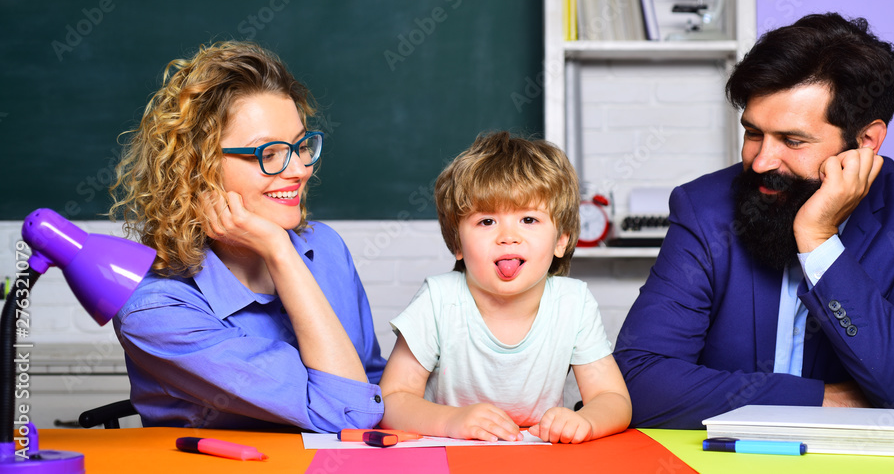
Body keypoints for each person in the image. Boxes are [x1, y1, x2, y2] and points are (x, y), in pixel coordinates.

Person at [614, 13, 894, 429]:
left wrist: (818, 240)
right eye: (753, 133)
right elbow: (636, 381)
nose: (761, 161)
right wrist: (819, 401)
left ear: (866, 141)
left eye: (792, 140)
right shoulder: (703, 207)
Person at [110, 41, 386, 432]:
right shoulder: (157, 311)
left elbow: (373, 387)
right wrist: (279, 252)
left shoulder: (325, 248)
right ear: (198, 167)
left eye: (301, 146)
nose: (299, 170)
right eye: (268, 153)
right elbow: (350, 413)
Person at [379, 132, 631, 443]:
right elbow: (391, 400)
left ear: (561, 240)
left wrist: (585, 422)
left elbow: (613, 398)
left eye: (529, 219)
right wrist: (451, 420)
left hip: (537, 455)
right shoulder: (438, 300)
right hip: (452, 451)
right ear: (457, 243)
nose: (508, 237)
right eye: (487, 221)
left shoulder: (573, 302)